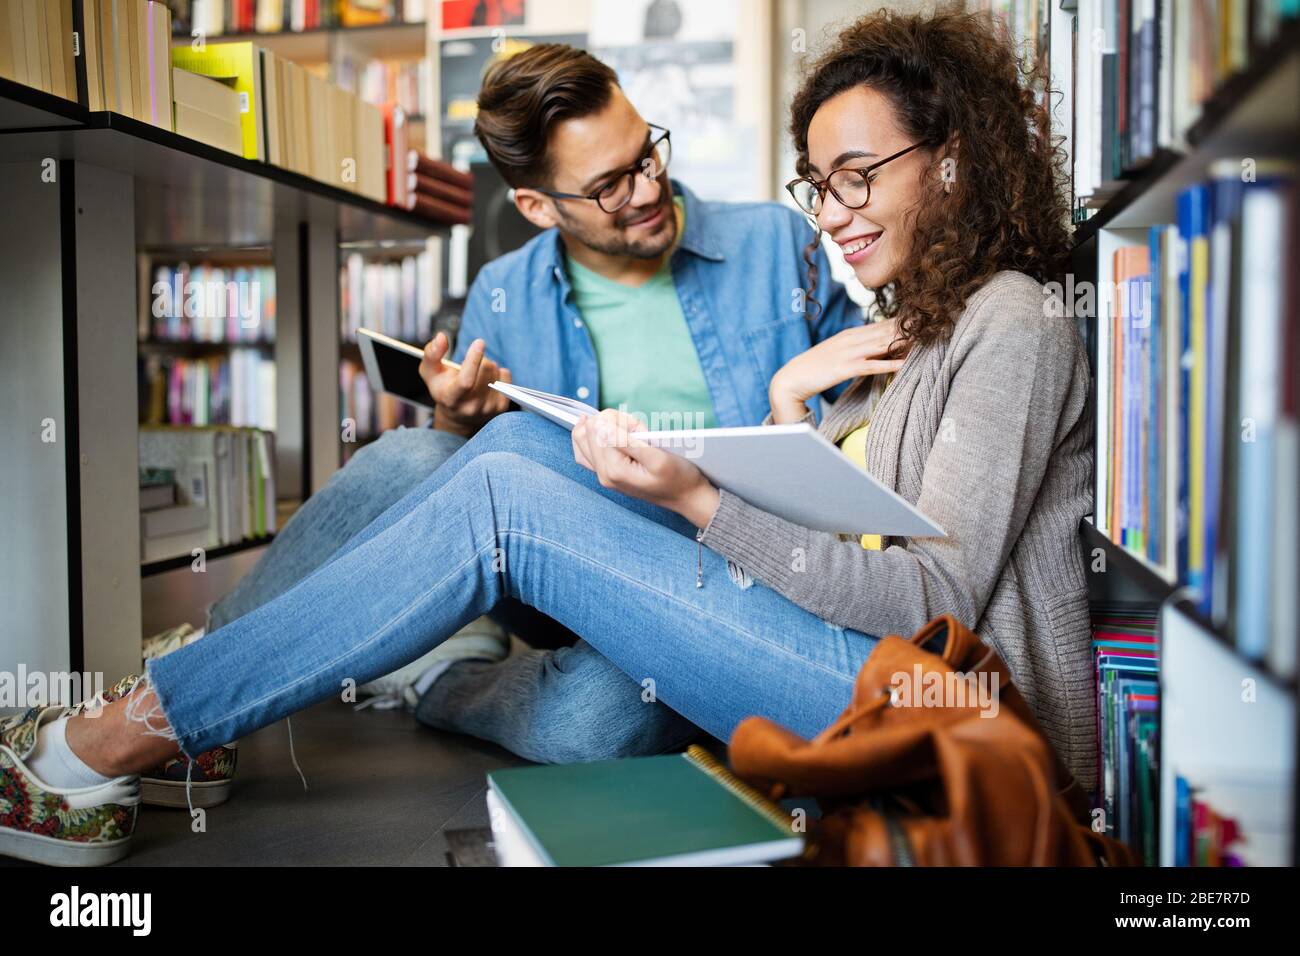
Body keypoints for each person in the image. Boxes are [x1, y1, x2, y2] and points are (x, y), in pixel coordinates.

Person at [1, 9, 1094, 866]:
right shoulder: (909, 316)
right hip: (819, 645)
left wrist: (694, 497)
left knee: (574, 659)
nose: (833, 211)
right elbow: (839, 516)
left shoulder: (1014, 318)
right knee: (490, 461)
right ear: (536, 205)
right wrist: (787, 402)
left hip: (916, 701)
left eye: (860, 175)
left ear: (951, 158)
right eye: (820, 183)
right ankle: (186, 708)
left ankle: (124, 735)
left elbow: (925, 601)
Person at [200, 43, 860, 764]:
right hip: (574, 571)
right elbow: (469, 489)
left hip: (737, 567)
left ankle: (444, 674)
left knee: (595, 727)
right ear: (536, 206)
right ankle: (206, 659)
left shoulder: (774, 241)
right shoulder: (502, 290)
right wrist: (459, 421)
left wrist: (793, 413)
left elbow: (863, 424)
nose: (646, 191)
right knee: (416, 454)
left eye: (647, 156)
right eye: (608, 186)